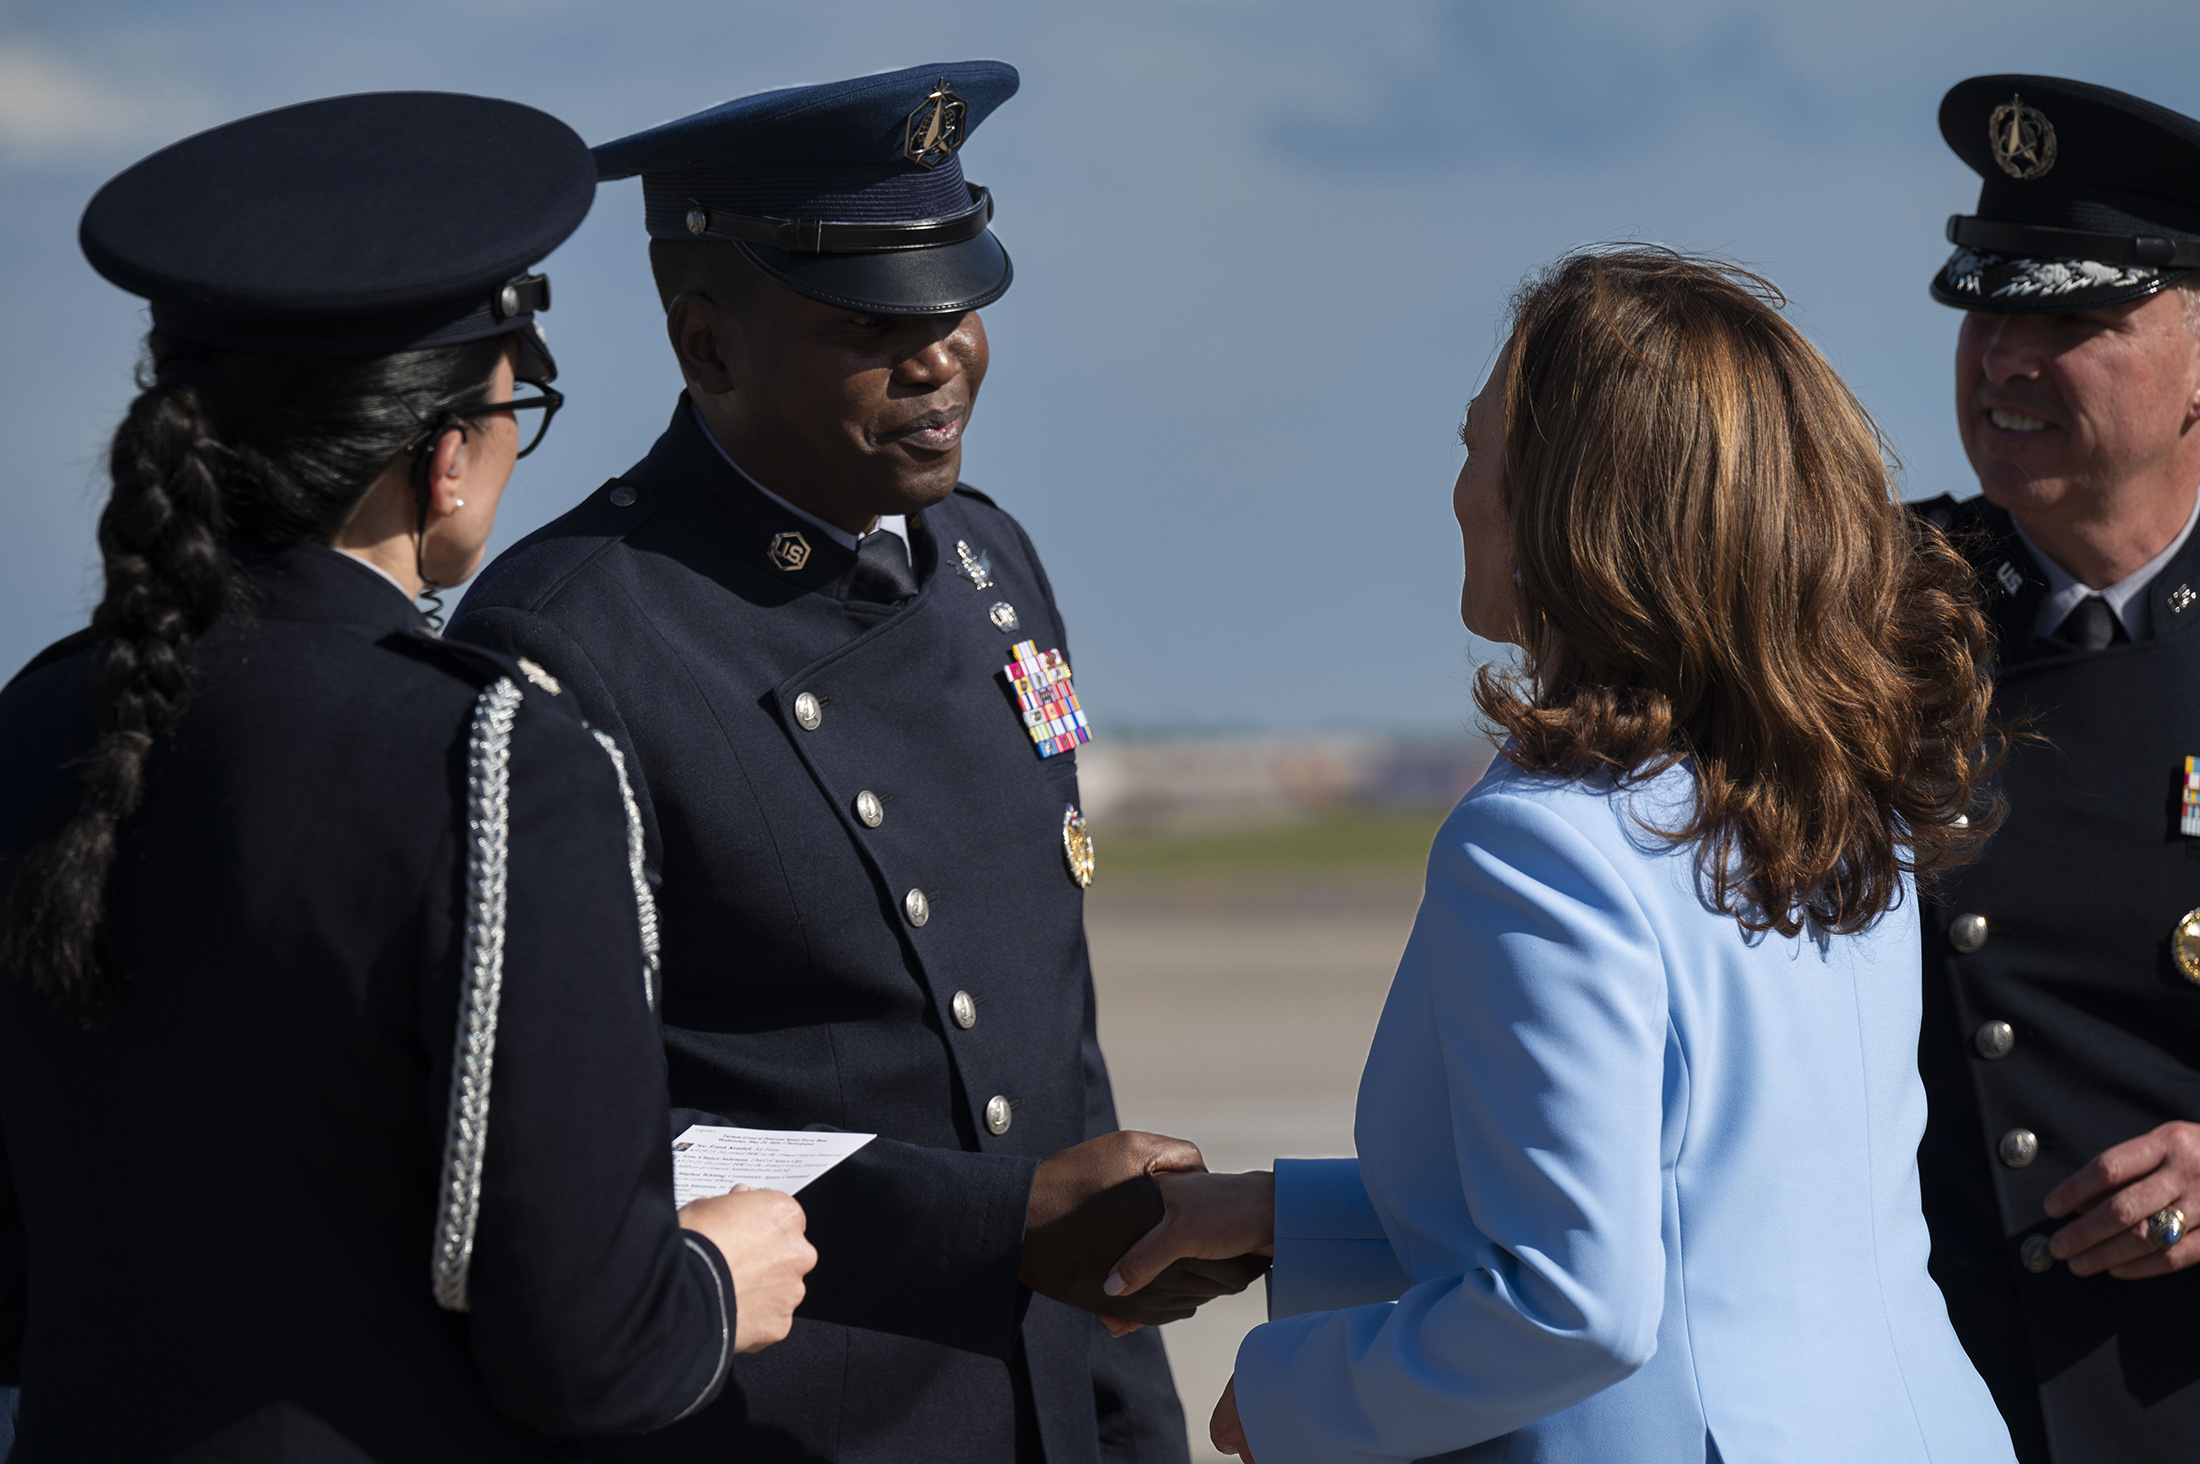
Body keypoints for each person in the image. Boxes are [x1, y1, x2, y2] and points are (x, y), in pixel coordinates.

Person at [449, 61, 1259, 1464]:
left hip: (1038, 1406)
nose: (937, 355)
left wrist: (1128, 1416)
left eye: (958, 308)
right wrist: (986, 1230)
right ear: (707, 344)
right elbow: (568, 1121)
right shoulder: (576, 638)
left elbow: (1053, 1051)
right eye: (871, 324)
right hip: (779, 1415)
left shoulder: (989, 565)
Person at [1098, 249, 2019, 1463]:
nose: (1460, 488)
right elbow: (1710, 1212)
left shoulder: (1544, 846)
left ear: (1569, 504)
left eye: (1478, 444)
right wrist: (1281, 1217)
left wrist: (1293, 1392)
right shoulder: (1836, 794)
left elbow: (1577, 1308)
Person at [0, 92, 816, 1462]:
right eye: (518, 407)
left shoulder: (34, 719)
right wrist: (719, 1278)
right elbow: (593, 1353)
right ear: (443, 458)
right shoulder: (493, 761)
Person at [1909, 75, 2200, 1463]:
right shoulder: (1863, 617)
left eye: (2074, 316)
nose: (2006, 355)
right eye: (1986, 304)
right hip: (1941, 1394)